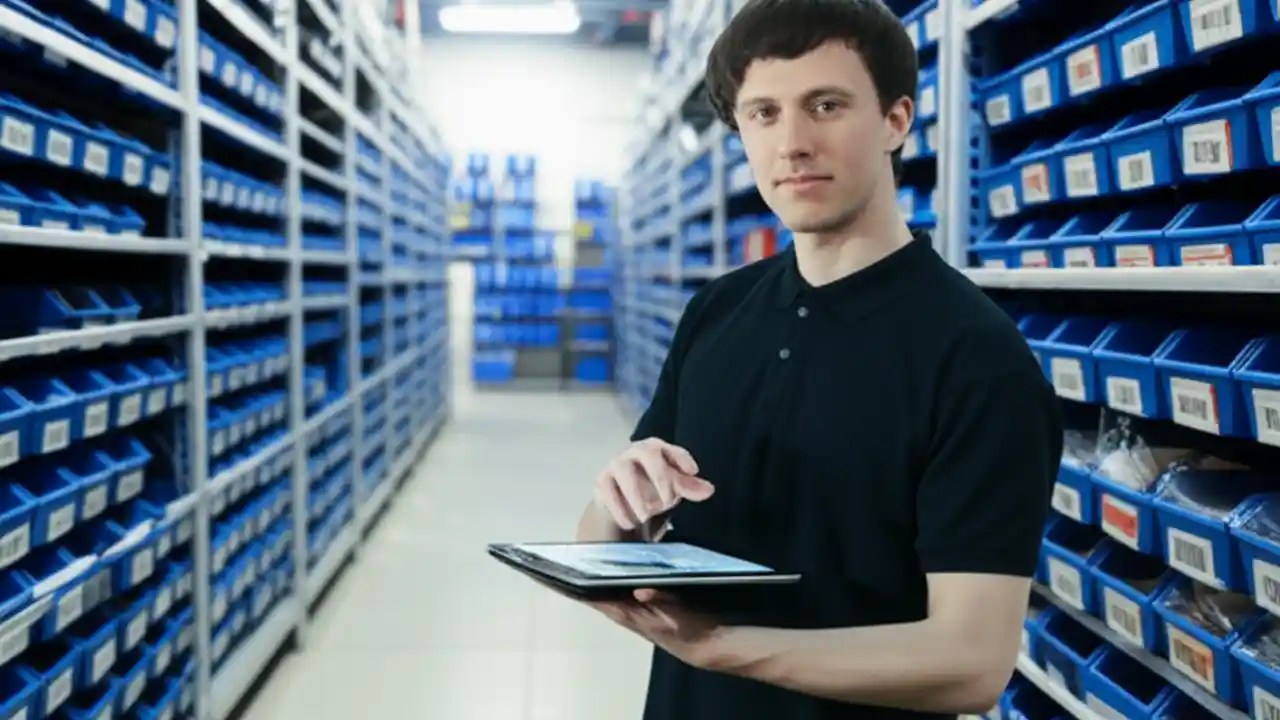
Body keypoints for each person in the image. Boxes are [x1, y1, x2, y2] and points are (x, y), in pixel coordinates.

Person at [573, 0, 1063, 718]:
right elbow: (602, 538)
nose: (793, 143)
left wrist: (727, 648)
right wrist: (618, 505)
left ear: (896, 119)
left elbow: (972, 663)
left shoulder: (977, 359)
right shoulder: (717, 311)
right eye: (764, 114)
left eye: (825, 106)